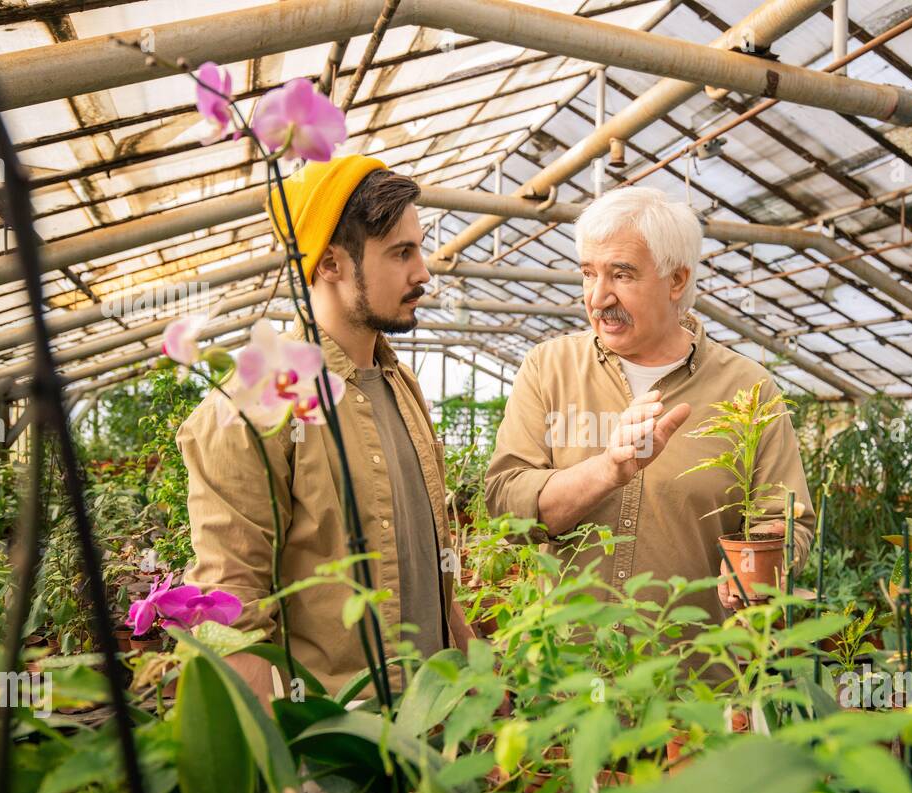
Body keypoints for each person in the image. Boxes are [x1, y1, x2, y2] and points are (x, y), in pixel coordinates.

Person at [177, 155, 475, 708]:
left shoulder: (399, 384)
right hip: (339, 739)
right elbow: (229, 603)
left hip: (431, 720)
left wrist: (467, 653)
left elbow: (423, 553)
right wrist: (281, 765)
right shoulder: (254, 403)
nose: (424, 272)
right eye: (401, 253)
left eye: (420, 247)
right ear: (332, 263)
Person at [485, 186, 815, 636]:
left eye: (621, 275)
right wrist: (606, 470)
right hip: (567, 677)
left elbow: (789, 519)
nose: (598, 298)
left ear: (677, 280)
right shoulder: (548, 369)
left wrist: (761, 557)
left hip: (695, 680)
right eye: (588, 274)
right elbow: (508, 506)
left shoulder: (747, 389)